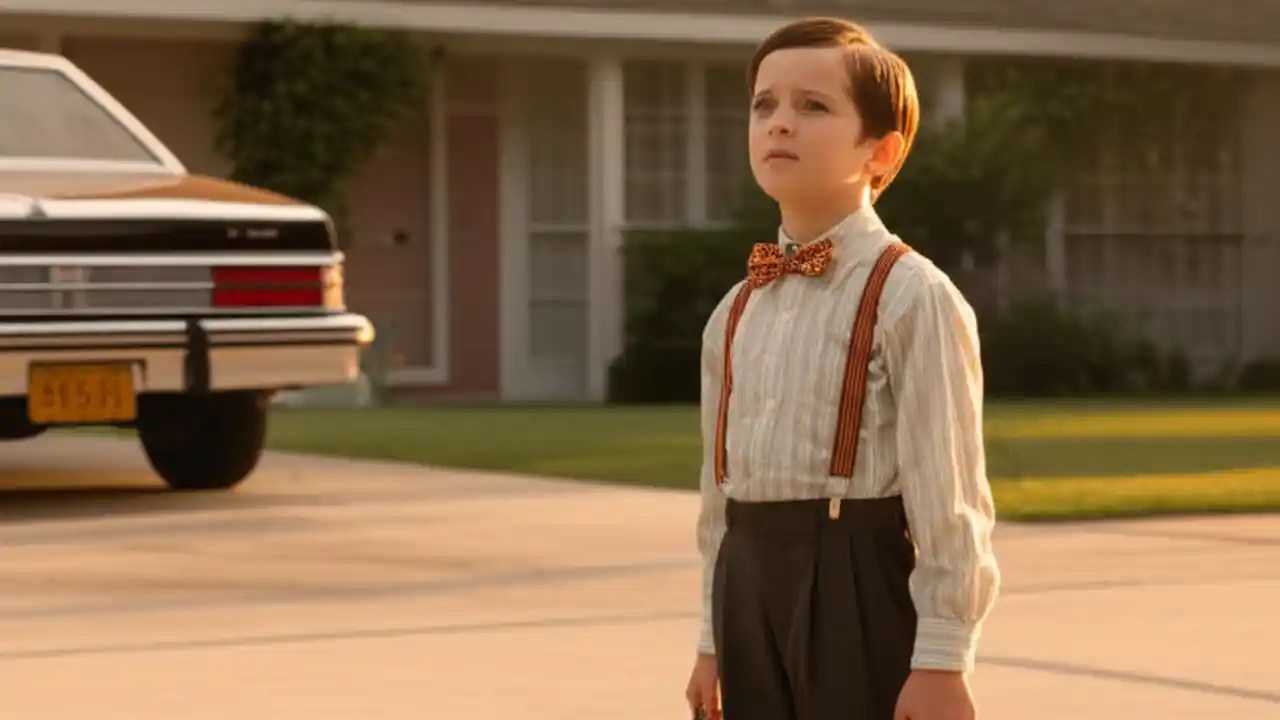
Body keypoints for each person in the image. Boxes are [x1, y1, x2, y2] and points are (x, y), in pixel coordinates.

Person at [683, 16, 1001, 720]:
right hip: (747, 579)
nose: (780, 124)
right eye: (764, 105)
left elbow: (951, 496)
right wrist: (713, 638)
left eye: (813, 106)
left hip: (854, 579)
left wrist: (943, 658)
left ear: (881, 152)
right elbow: (716, 499)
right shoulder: (736, 310)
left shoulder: (912, 295)